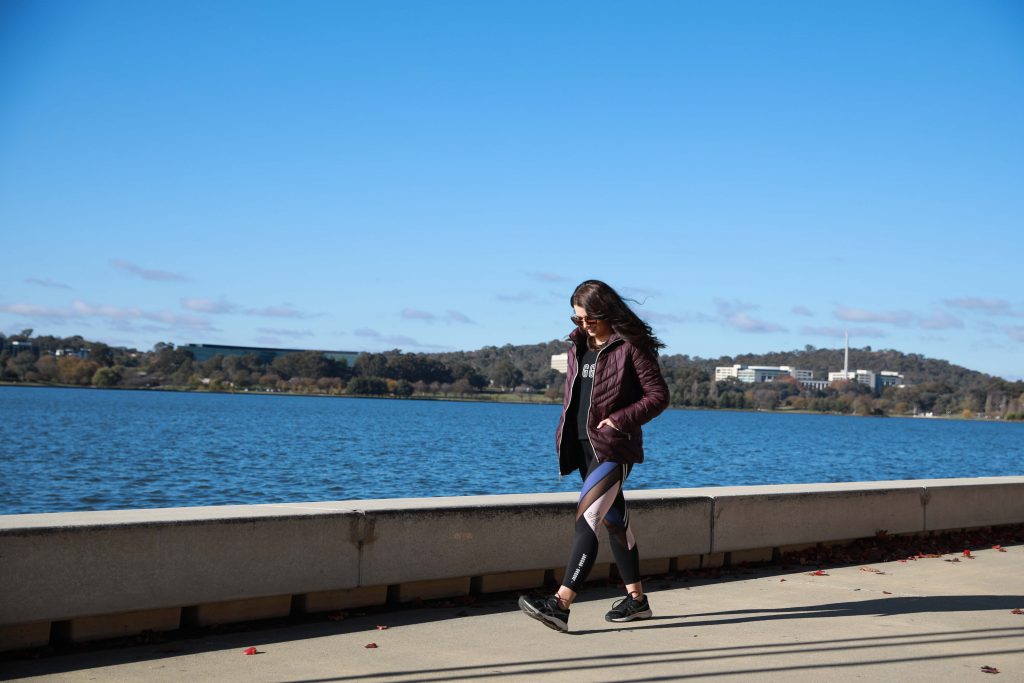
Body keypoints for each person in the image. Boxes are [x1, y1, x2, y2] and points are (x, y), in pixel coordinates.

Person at [519, 279, 669, 633]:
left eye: (588, 318)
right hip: (582, 445)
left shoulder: (631, 346)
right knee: (615, 521)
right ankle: (637, 601)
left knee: (587, 517)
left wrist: (618, 419)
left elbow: (658, 396)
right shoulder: (578, 345)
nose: (582, 324)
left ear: (605, 312)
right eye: (577, 319)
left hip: (614, 447)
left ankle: (560, 605)